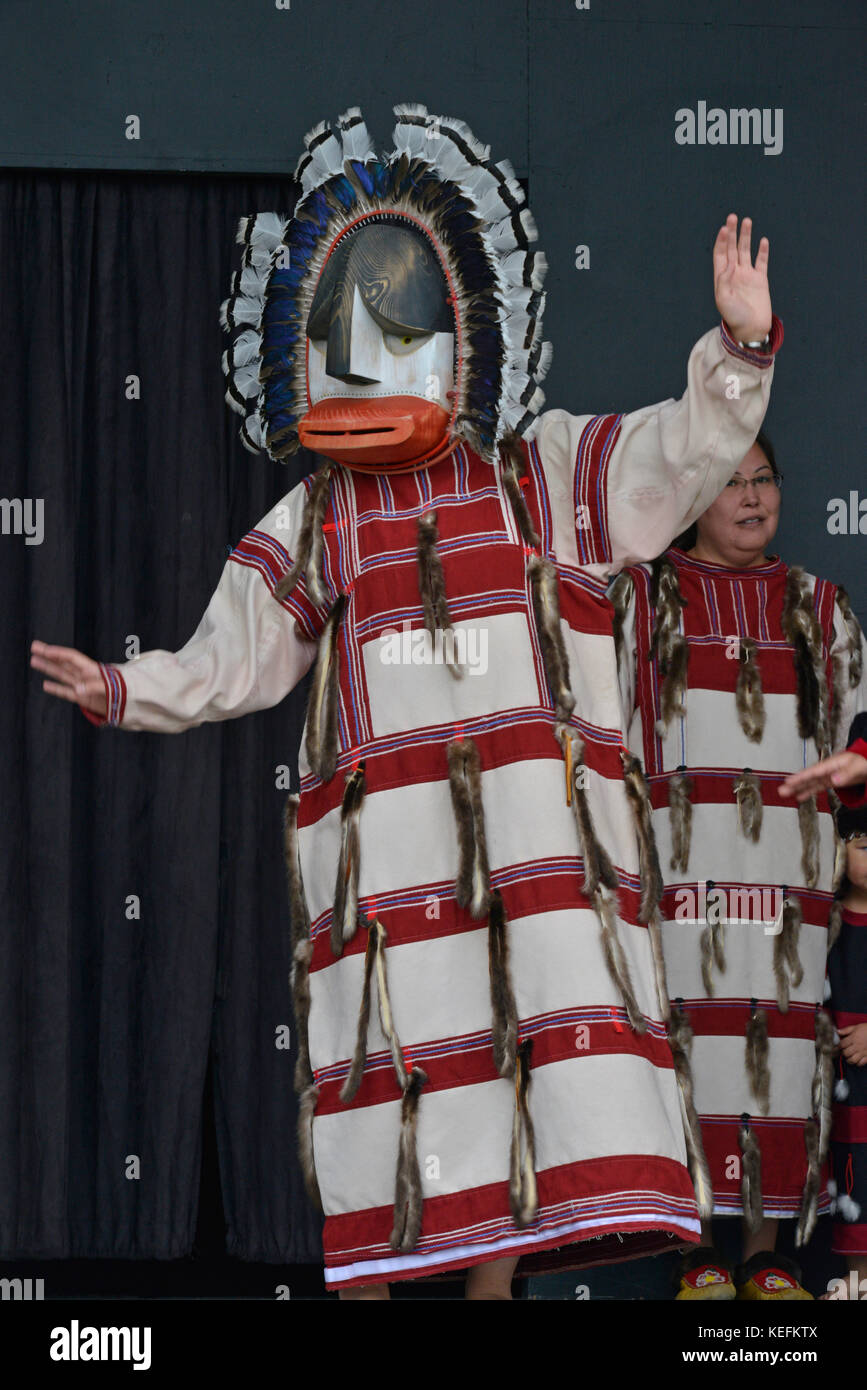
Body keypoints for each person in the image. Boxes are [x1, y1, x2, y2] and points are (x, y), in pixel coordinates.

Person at [30, 104, 780, 1299]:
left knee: (525, 1075)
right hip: (392, 885)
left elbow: (678, 449)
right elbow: (235, 650)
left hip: (528, 871)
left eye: (399, 332)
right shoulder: (324, 514)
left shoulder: (546, 477)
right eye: (348, 338)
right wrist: (127, 688)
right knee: (389, 1092)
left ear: (463, 340)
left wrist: (740, 356)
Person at [615, 434, 867, 1300]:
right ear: (693, 497)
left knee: (779, 1057)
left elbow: (858, 731)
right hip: (679, 879)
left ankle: (768, 1256)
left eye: (764, 478)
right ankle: (695, 1255)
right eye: (730, 483)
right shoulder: (642, 600)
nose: (751, 497)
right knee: (685, 1049)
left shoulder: (820, 606)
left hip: (784, 884)